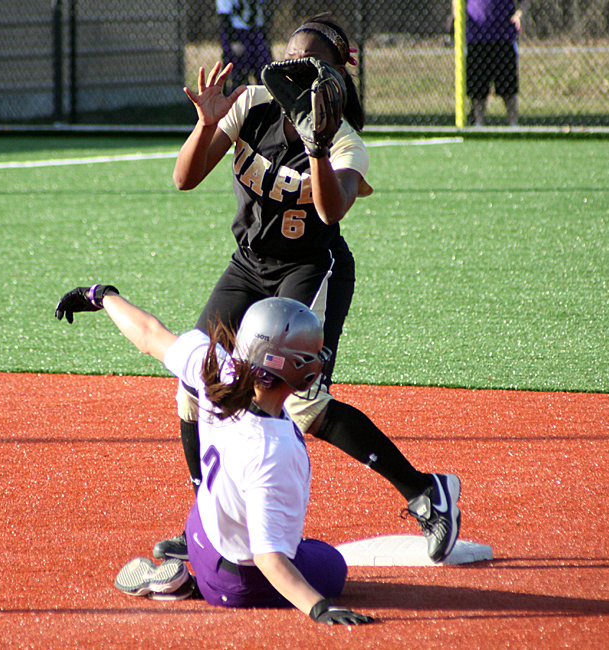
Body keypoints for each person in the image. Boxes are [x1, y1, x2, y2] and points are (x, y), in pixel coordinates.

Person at [155, 15, 462, 566]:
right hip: (249, 266)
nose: (297, 75)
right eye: (291, 62)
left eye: (312, 67)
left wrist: (317, 146)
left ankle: (426, 492)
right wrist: (206, 124)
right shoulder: (250, 105)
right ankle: (211, 519)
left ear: (334, 80)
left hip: (309, 268)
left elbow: (330, 209)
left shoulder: (344, 141)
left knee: (303, 403)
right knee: (194, 382)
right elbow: (183, 178)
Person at [56, 285, 374, 625]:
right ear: (291, 367)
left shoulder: (218, 371)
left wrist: (101, 295)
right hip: (235, 583)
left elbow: (149, 335)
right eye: (311, 354)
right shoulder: (271, 451)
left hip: (200, 532)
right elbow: (268, 559)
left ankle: (188, 576)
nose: (317, 359)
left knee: (274, 530)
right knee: (331, 565)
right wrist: (319, 607)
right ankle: (189, 586)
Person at [459, 0, 531, 126]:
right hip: (476, 38)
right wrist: (457, 15)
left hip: (504, 37)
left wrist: (520, 14)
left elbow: (524, 2)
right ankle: (479, 124)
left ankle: (514, 124)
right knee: (478, 89)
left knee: (508, 88)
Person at [217, 0, 274, 89]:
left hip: (256, 32)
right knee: (240, 74)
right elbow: (224, 17)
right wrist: (234, 40)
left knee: (264, 72)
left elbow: (263, 12)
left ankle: (265, 100)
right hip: (237, 32)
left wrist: (265, 37)